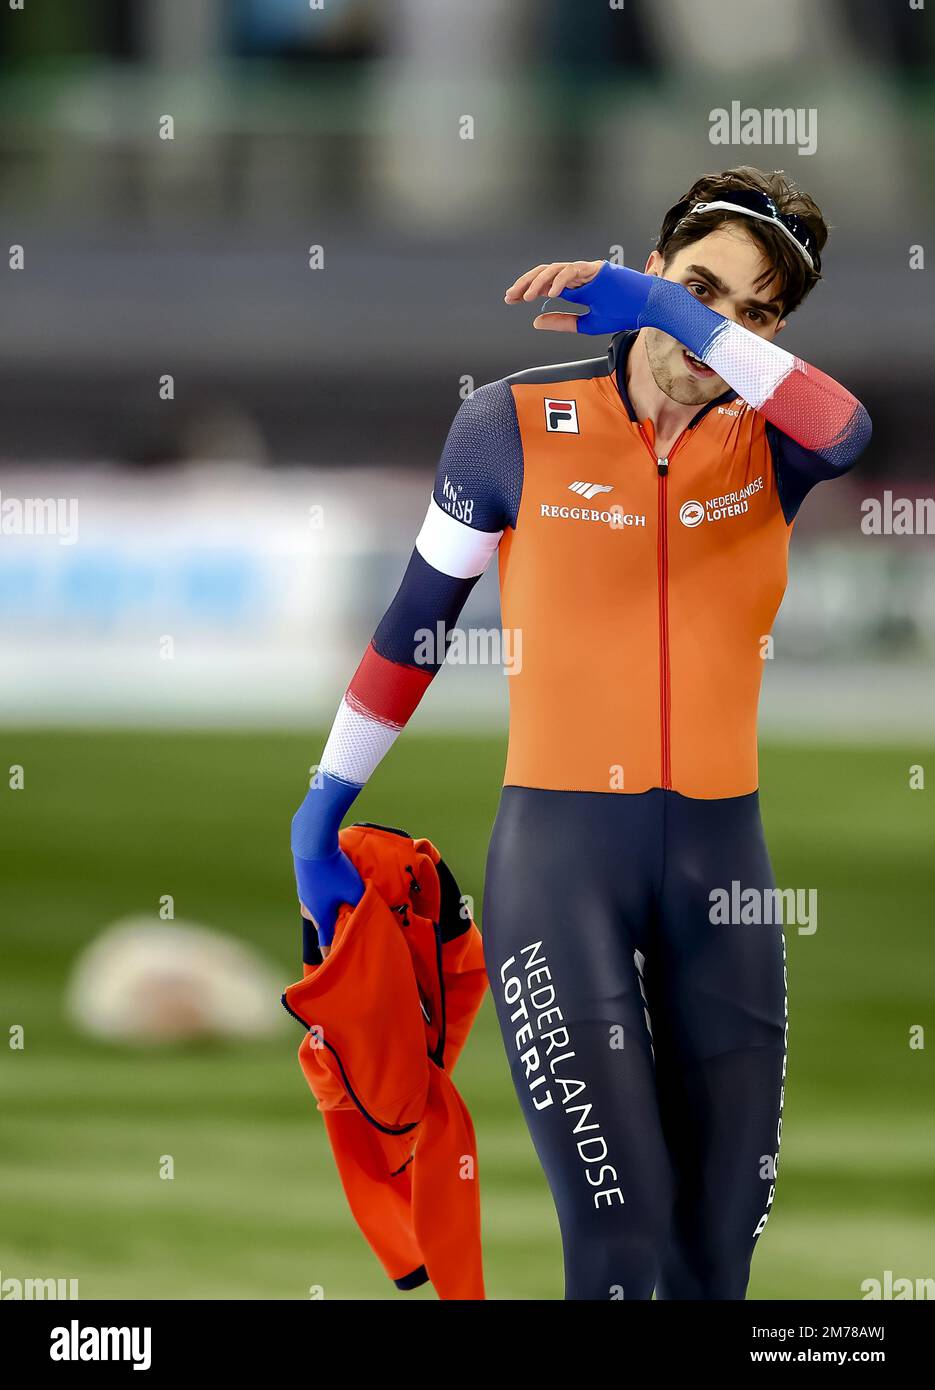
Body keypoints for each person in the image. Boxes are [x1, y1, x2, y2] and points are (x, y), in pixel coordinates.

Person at [290, 166, 872, 1298]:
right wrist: (323, 809)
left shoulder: (774, 442)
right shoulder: (505, 425)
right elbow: (414, 626)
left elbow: (845, 429)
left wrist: (671, 313)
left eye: (752, 313)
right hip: (560, 869)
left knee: (716, 1252)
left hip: (722, 869)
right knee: (619, 1237)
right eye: (696, 285)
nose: (717, 329)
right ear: (647, 261)